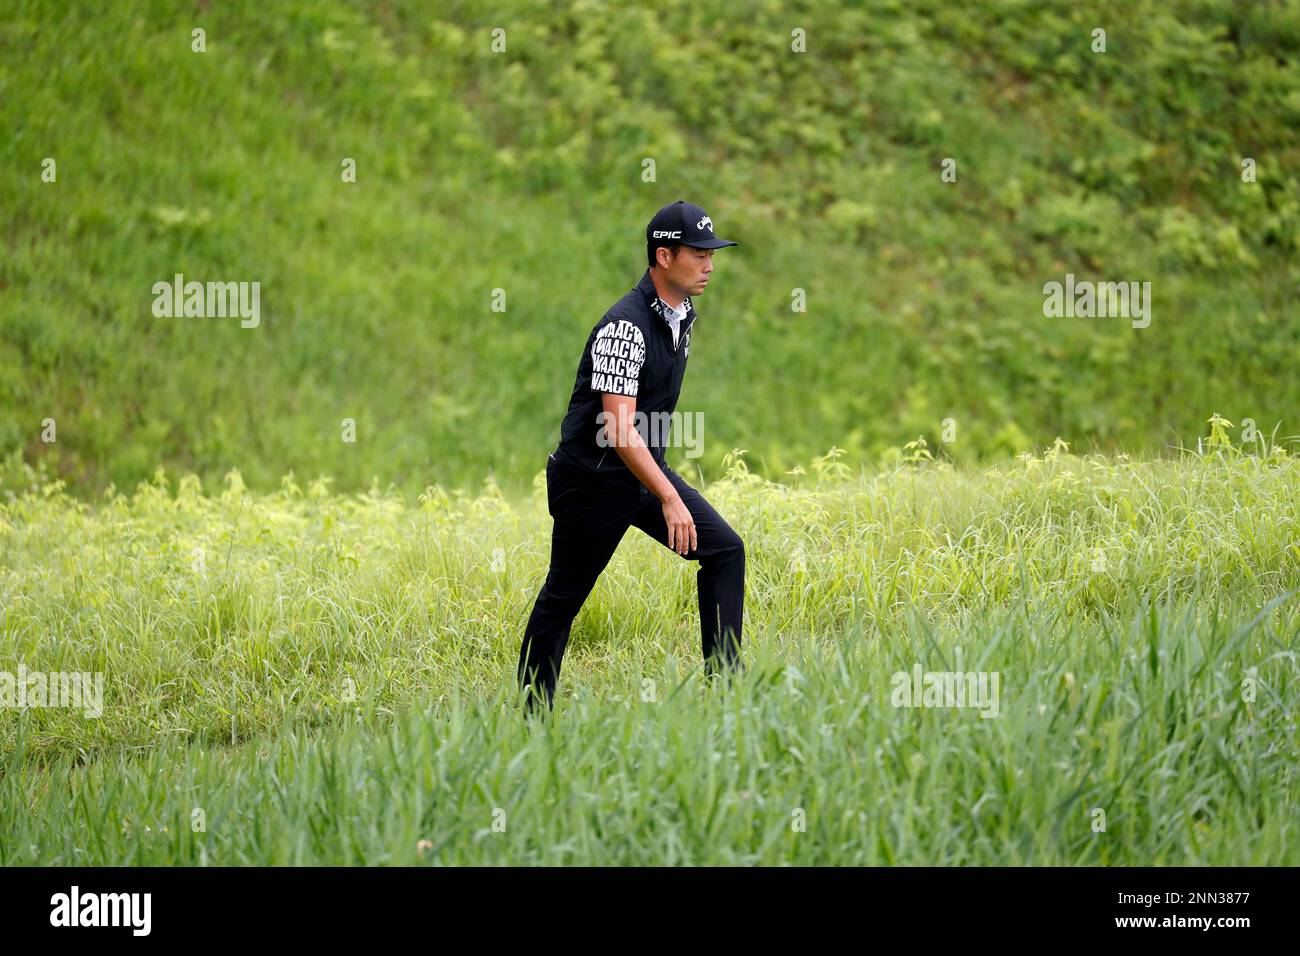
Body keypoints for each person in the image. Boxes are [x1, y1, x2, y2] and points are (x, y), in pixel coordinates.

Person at [517, 200, 746, 713]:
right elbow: (618, 428)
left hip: (640, 472)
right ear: (664, 257)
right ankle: (533, 717)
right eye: (699, 253)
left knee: (725, 551)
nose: (710, 264)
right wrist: (668, 495)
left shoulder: (683, 315)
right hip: (591, 482)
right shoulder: (624, 326)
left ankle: (728, 697)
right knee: (563, 598)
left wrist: (659, 485)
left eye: (713, 253)